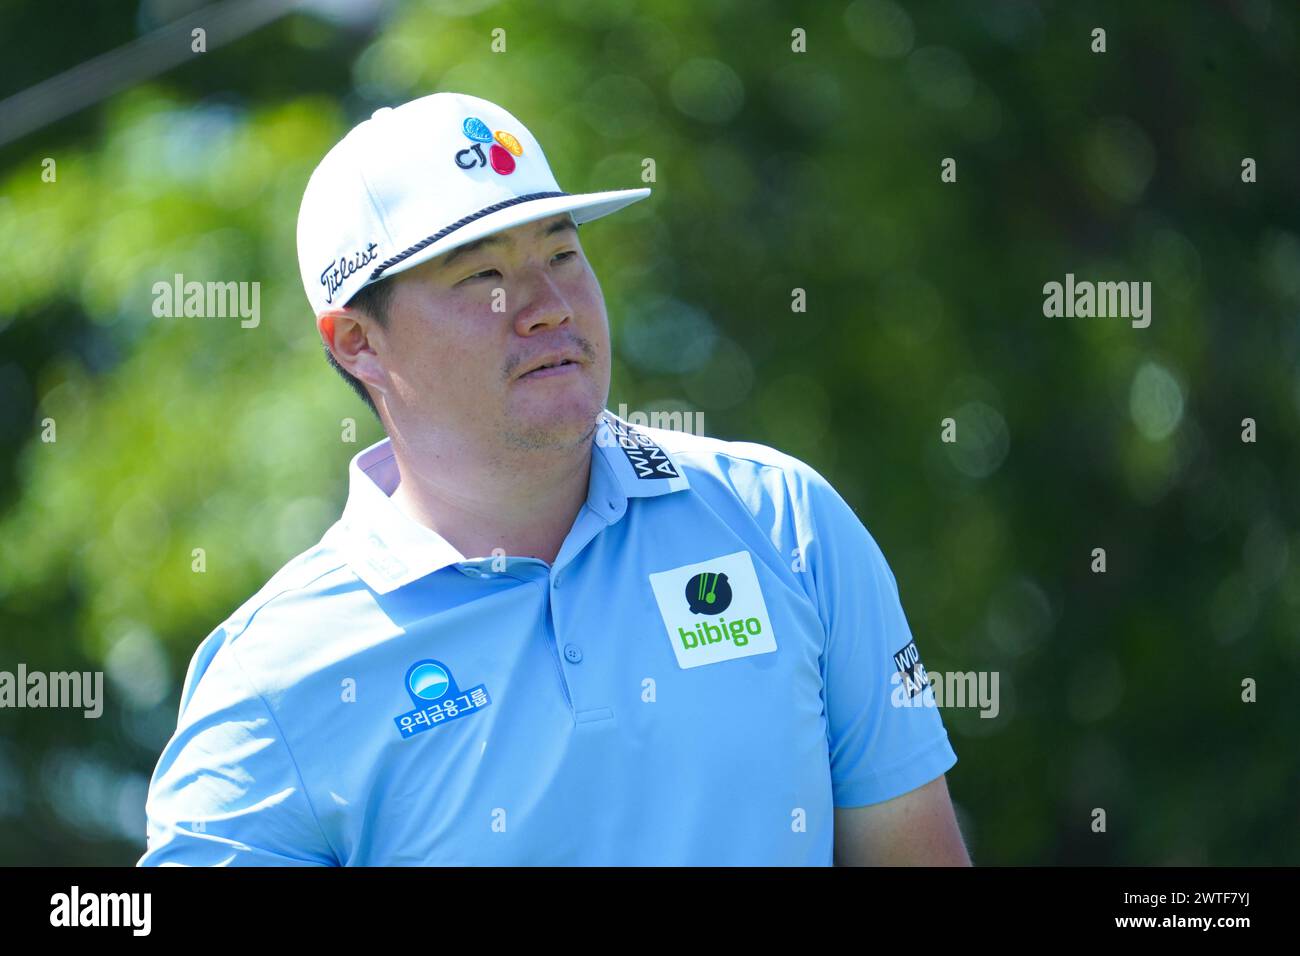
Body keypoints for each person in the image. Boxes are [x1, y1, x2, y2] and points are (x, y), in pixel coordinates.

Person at [137, 91, 969, 866]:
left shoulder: (786, 523)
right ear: (357, 341)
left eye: (564, 253)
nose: (549, 305)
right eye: (483, 277)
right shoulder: (273, 680)